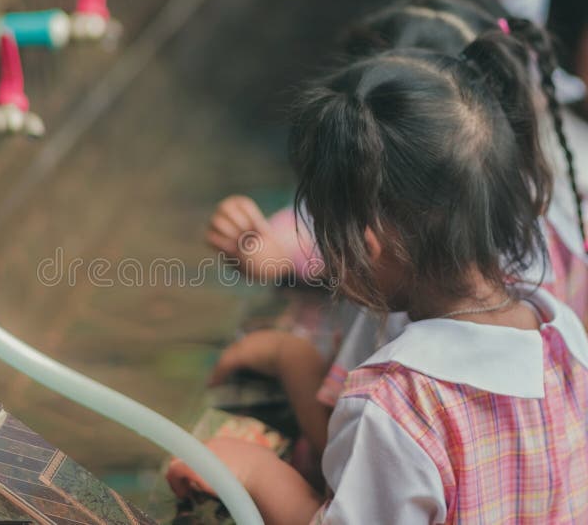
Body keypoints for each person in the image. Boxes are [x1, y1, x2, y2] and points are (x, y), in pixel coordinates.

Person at [169, 31, 588, 524]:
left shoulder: (398, 404)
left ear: (366, 245)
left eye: (325, 232)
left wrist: (255, 472)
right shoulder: (561, 334)